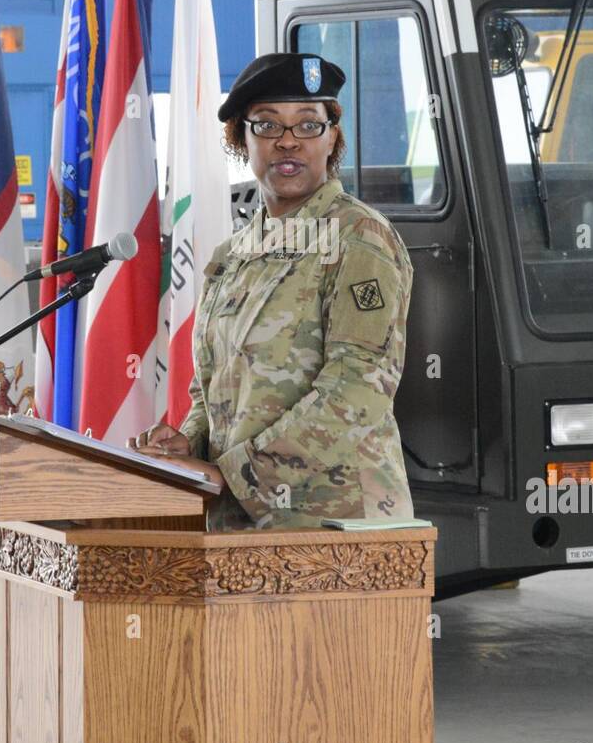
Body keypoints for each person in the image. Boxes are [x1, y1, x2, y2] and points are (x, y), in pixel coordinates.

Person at [129, 52, 415, 531]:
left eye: (308, 125)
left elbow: (359, 388)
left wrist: (231, 475)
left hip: (334, 523)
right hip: (240, 519)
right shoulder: (234, 253)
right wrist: (189, 444)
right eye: (266, 125)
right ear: (241, 140)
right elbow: (211, 392)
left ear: (332, 139)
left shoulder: (358, 237)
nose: (288, 142)